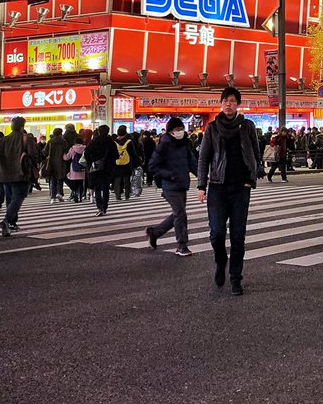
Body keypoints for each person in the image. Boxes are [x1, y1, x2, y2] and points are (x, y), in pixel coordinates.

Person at [197, 87, 261, 295]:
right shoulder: (212, 128)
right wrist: (200, 186)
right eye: (225, 100)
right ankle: (220, 260)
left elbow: (255, 153)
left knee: (238, 236)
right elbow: (204, 158)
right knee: (216, 233)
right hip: (217, 186)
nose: (228, 104)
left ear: (238, 104)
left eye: (232, 101)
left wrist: (251, 179)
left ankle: (235, 278)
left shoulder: (247, 126)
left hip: (240, 188)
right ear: (221, 103)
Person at [0, 116, 40, 237]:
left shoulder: (3, 140)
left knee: (10, 199)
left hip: (5, 174)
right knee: (18, 197)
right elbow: (33, 155)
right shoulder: (27, 139)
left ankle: (12, 223)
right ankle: (6, 220)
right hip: (21, 173)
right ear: (22, 127)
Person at [146, 117, 198, 257]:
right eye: (177, 129)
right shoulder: (164, 145)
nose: (180, 132)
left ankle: (155, 232)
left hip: (182, 184)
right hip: (170, 185)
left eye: (181, 129)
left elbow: (192, 162)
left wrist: (202, 176)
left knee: (178, 214)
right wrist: (170, 175)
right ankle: (182, 246)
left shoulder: (184, 144)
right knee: (180, 214)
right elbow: (152, 166)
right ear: (170, 131)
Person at [84, 125, 118, 216]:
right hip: (107, 168)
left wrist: (92, 161)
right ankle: (105, 206)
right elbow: (116, 156)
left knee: (97, 187)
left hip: (96, 167)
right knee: (105, 187)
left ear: (98, 131)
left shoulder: (93, 142)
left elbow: (86, 154)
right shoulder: (111, 143)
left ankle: (99, 207)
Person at [112, 125, 141, 201]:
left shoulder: (114, 142)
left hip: (117, 163)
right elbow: (133, 153)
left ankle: (118, 196)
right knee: (127, 179)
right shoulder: (129, 141)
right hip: (127, 163)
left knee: (117, 179)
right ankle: (127, 195)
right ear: (125, 133)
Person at [42, 127, 68, 203]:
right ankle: (59, 193)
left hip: (51, 163)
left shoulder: (50, 141)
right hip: (61, 162)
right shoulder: (64, 142)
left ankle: (53, 197)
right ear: (60, 133)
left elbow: (44, 151)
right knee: (60, 179)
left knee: (53, 180)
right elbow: (66, 151)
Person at [65, 126, 87, 202]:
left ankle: (75, 194)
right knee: (81, 183)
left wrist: (63, 155)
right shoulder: (85, 148)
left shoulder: (72, 148)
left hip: (74, 168)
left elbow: (67, 158)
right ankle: (81, 196)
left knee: (74, 183)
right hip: (82, 167)